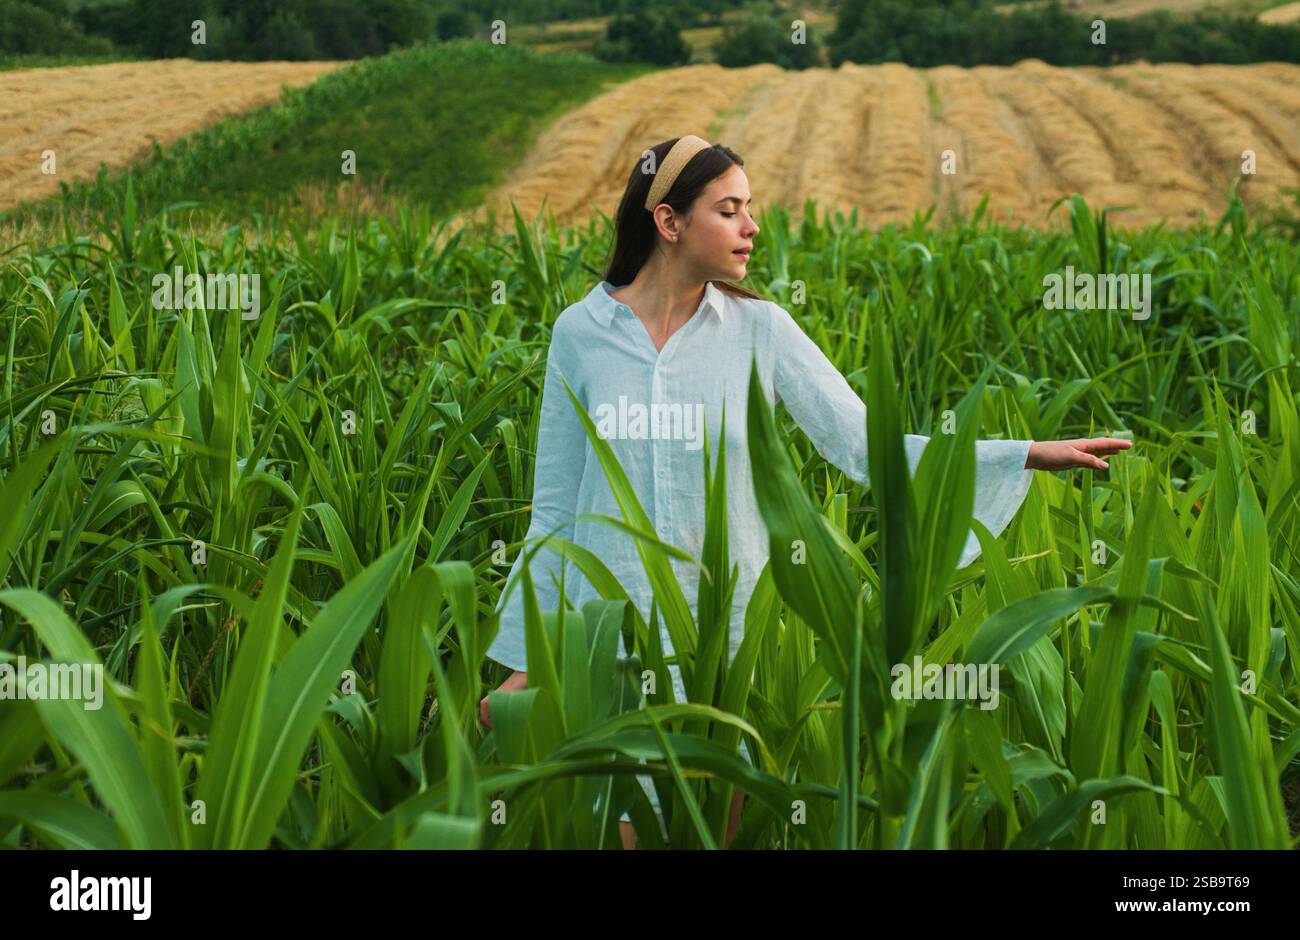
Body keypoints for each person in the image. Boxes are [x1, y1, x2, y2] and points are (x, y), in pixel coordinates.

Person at [478, 135, 1132, 849]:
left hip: (725, 637)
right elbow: (556, 504)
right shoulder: (581, 334)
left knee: (707, 834)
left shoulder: (760, 331)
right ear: (668, 222)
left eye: (749, 208)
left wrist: (1023, 454)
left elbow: (862, 445)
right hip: (616, 634)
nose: (752, 227)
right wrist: (525, 660)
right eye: (729, 210)